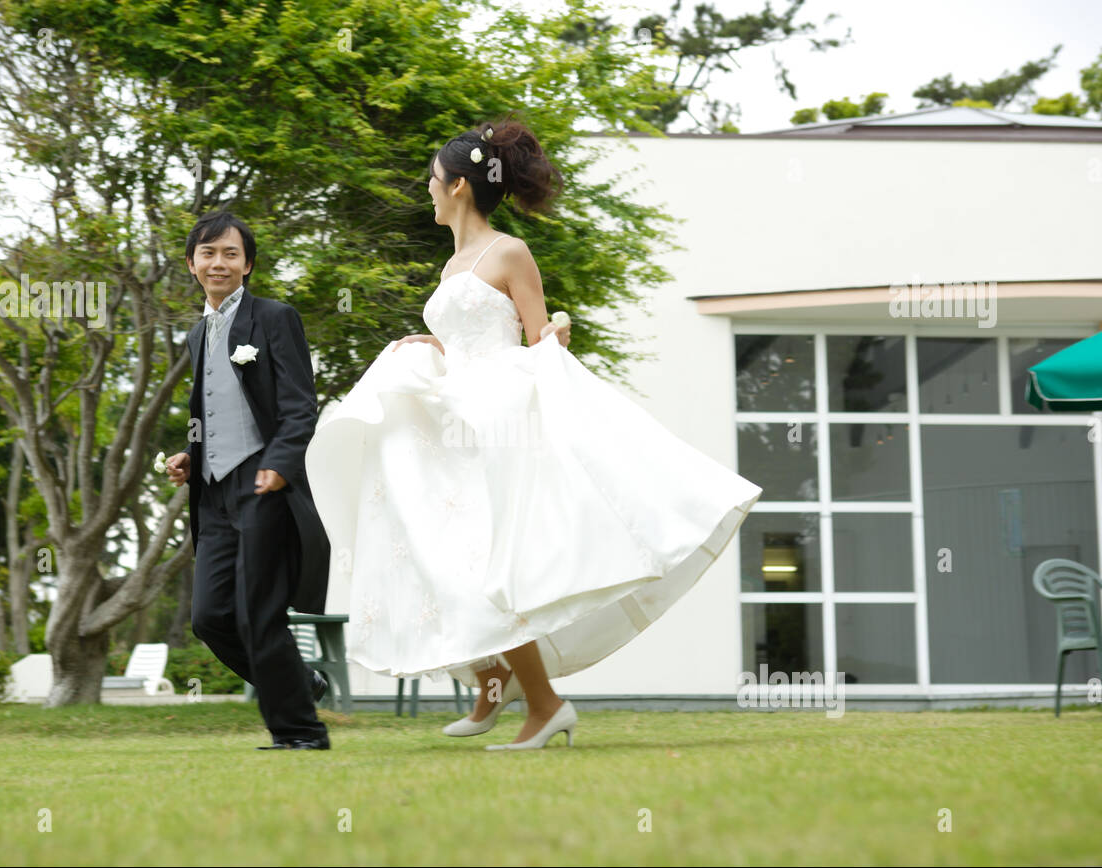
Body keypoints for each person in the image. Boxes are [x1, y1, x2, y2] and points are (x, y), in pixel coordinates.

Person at [305, 119, 763, 750]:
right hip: (455, 411)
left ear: (459, 187)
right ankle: (493, 685)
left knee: (489, 560)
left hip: (497, 419)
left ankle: (542, 705)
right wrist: (430, 342)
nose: (429, 191)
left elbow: (531, 334)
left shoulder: (509, 252)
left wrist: (556, 337)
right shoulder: (454, 263)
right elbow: (467, 337)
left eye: (434, 181)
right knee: (448, 551)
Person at [164, 211, 334, 751]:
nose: (219, 262)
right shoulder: (197, 333)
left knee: (259, 612)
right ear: (192, 264)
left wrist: (280, 465)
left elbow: (299, 406)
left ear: (248, 265)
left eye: (230, 253)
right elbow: (212, 409)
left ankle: (301, 732)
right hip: (213, 493)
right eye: (209, 253)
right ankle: (300, 685)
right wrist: (190, 455)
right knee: (210, 618)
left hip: (264, 484)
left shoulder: (274, 317)